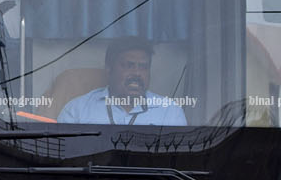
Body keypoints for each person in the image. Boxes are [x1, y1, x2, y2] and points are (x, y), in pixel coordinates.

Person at [58, 37, 187, 125]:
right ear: (109, 68)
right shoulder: (77, 110)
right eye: (129, 65)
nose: (137, 73)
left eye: (143, 67)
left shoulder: (169, 112)